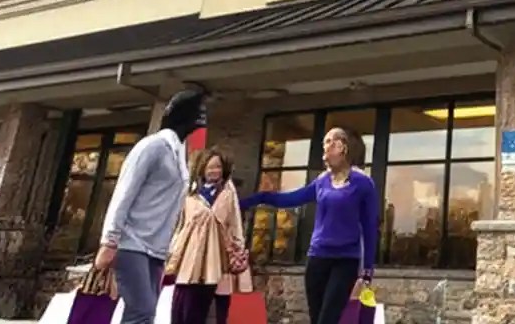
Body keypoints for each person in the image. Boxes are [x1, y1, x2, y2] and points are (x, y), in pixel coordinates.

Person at [240, 127, 379, 324]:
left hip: (345, 260)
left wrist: (367, 271)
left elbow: (370, 228)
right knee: (316, 318)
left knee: (327, 319)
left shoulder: (363, 183)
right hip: (317, 258)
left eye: (331, 141)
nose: (326, 145)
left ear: (343, 147)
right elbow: (292, 198)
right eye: (325, 141)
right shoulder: (322, 181)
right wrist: (258, 198)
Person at [93, 89, 207, 324]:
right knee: (141, 312)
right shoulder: (152, 146)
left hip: (157, 249)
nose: (202, 116)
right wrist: (110, 240)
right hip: (131, 243)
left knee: (144, 314)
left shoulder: (179, 154)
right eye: (198, 111)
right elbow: (124, 193)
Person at [166, 146, 252, 324]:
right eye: (210, 167)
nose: (214, 171)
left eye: (218, 167)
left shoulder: (228, 192)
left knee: (213, 307)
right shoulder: (190, 194)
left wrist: (238, 248)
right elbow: (179, 225)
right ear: (202, 169)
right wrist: (171, 251)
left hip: (218, 256)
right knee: (184, 305)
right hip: (190, 257)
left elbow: (235, 222)